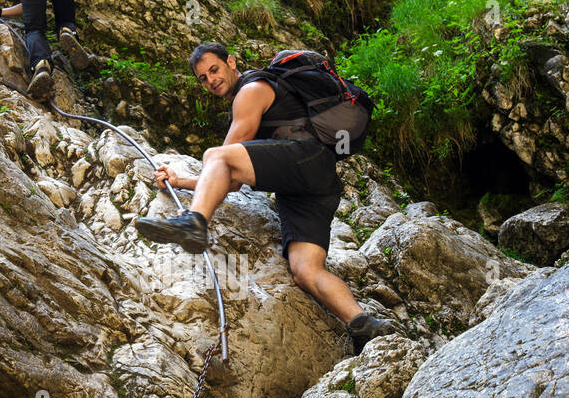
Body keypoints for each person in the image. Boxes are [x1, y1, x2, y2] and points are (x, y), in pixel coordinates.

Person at [135, 41, 395, 355]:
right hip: (314, 181)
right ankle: (364, 325)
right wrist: (179, 181)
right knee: (305, 269)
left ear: (231, 62)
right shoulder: (255, 92)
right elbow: (227, 180)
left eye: (214, 69)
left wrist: (187, 184)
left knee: (215, 154)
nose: (211, 80)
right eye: (203, 78)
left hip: (304, 158)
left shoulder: (251, 91)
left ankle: (194, 222)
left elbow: (220, 162)